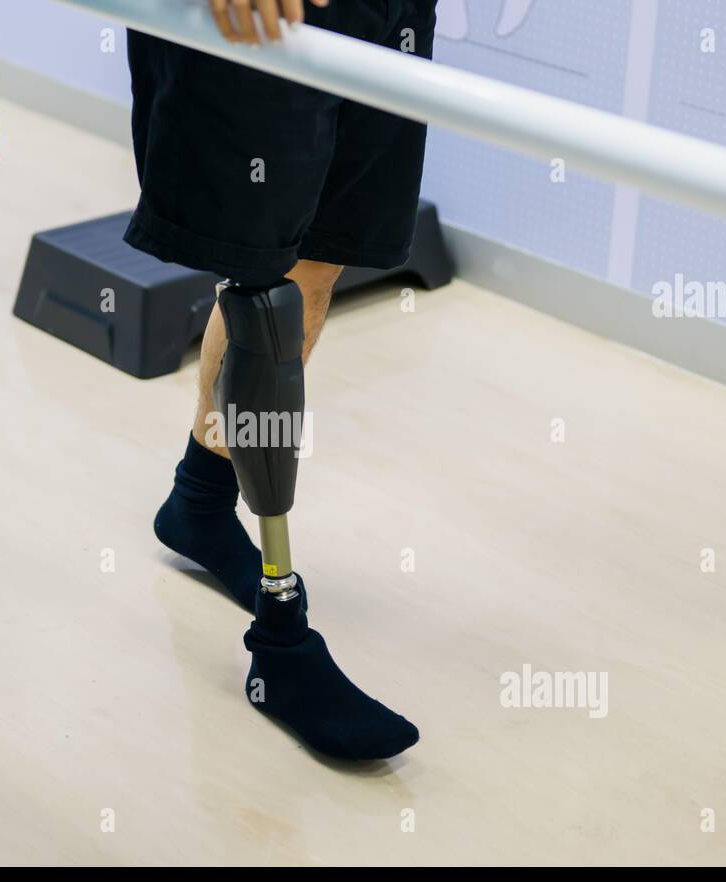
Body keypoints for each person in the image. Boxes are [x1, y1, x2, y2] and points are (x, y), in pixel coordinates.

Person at [132, 0, 437, 760]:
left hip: (382, 13)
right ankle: (280, 637)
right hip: (260, 17)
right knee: (264, 288)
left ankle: (199, 501)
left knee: (317, 264)